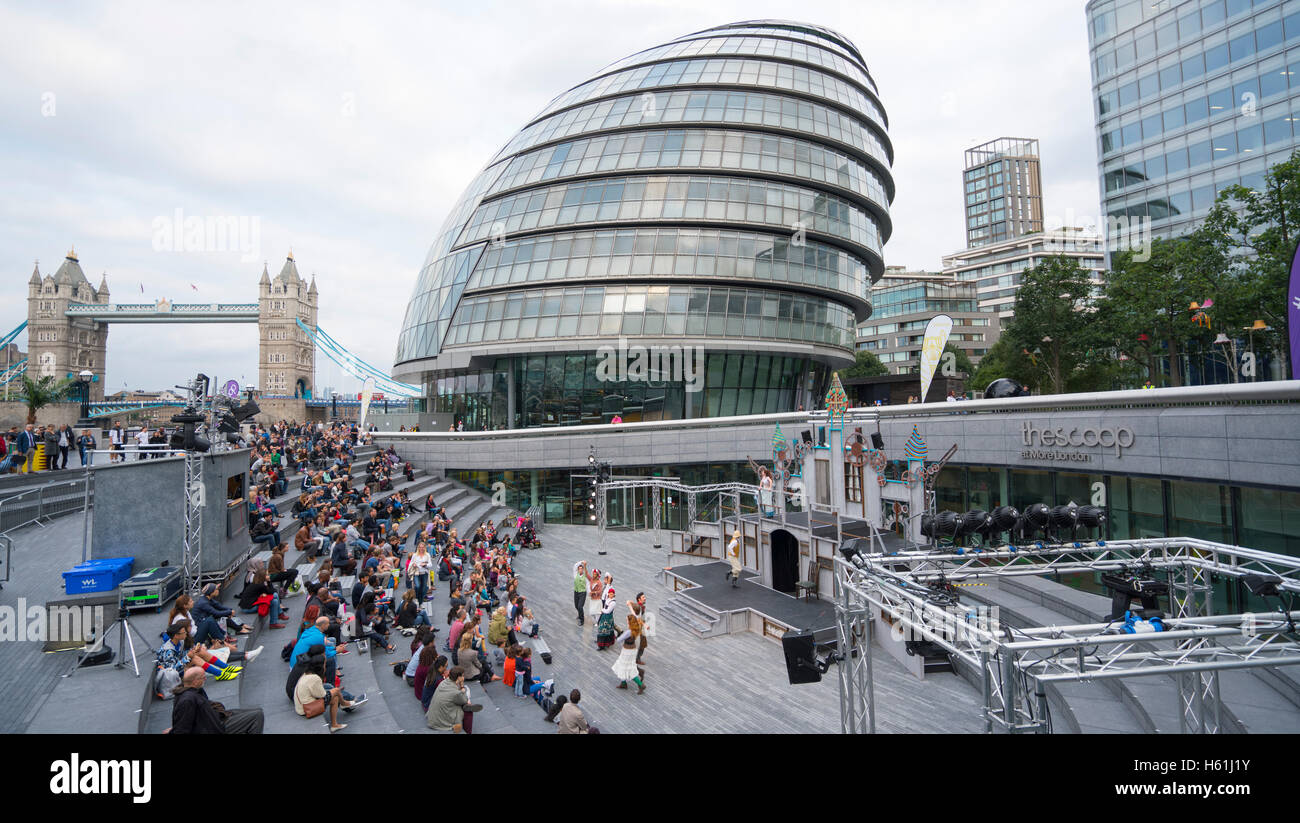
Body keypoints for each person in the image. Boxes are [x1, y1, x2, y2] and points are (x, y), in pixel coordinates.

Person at [170, 667, 265, 734]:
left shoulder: (195, 690)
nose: (205, 679)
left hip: (216, 719)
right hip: (213, 728)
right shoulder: (187, 700)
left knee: (257, 710)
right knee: (257, 716)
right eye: (203, 677)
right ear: (195, 681)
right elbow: (182, 728)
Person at [294, 656, 355, 732]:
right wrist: (334, 691)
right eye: (324, 664)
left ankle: (334, 724)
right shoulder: (315, 678)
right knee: (336, 691)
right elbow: (322, 695)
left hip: (301, 707)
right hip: (307, 709)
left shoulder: (306, 673)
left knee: (335, 697)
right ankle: (344, 703)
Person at [426, 666, 483, 733]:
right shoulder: (456, 693)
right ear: (459, 677)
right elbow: (464, 699)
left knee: (459, 701)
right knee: (467, 709)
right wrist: (462, 686)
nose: (464, 677)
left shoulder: (444, 682)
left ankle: (466, 706)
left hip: (433, 717)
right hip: (440, 721)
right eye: (463, 676)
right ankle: (466, 710)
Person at [595, 584, 617, 650]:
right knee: (603, 629)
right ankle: (601, 642)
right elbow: (605, 607)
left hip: (608, 617)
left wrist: (601, 610)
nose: (610, 594)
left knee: (604, 630)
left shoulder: (613, 602)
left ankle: (602, 645)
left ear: (613, 594)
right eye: (609, 593)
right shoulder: (608, 599)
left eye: (611, 593)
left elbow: (608, 611)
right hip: (604, 615)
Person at [572, 560, 588, 625]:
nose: (580, 570)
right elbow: (575, 566)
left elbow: (588, 585)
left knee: (580, 606)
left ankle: (582, 620)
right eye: (579, 569)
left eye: (582, 569)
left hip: (583, 593)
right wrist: (581, 562)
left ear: (583, 570)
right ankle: (580, 614)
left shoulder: (585, 577)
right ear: (578, 570)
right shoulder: (575, 575)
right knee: (576, 606)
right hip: (576, 592)